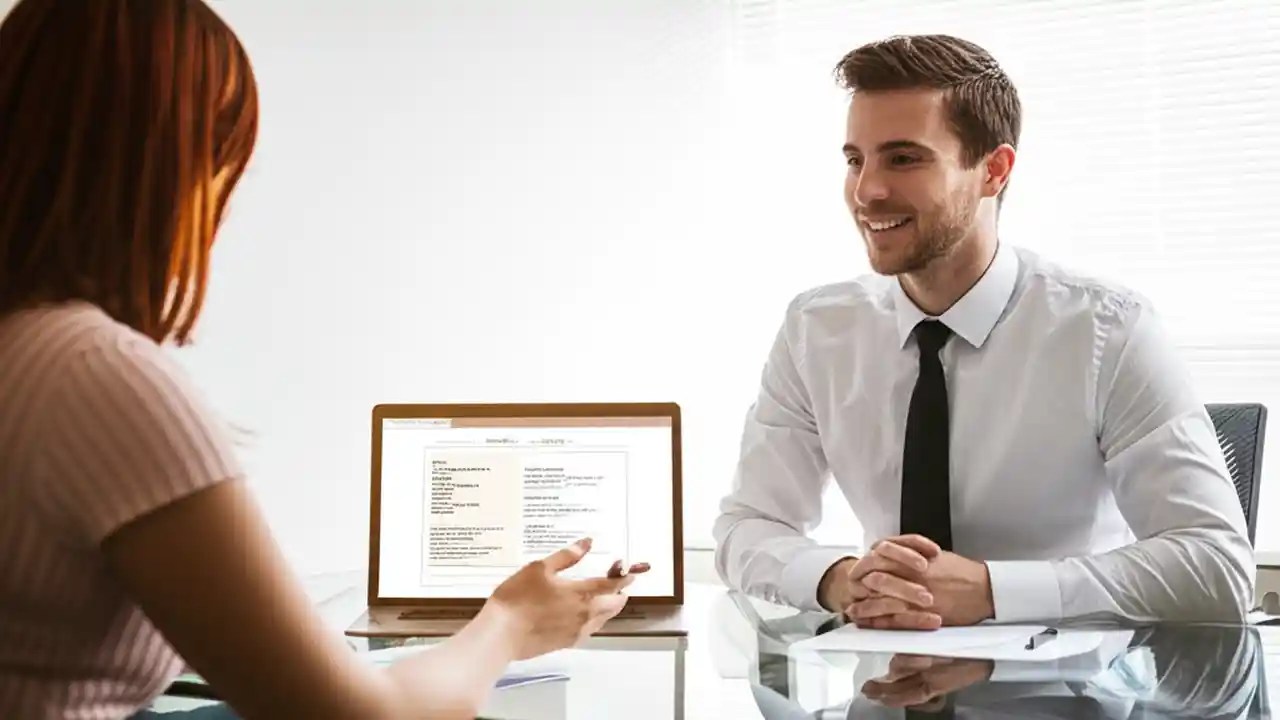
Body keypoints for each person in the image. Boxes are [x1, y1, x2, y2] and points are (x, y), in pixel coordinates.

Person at [0, 2, 644, 718]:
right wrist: (508, 625)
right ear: (160, 163)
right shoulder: (99, 378)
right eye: (221, 162)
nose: (226, 204)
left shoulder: (26, 352)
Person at [713, 33, 1255, 630]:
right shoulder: (817, 329)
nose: (867, 190)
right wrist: (840, 578)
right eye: (855, 159)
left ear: (993, 170)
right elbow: (746, 528)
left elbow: (1217, 564)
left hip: (1074, 696)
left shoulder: (1108, 330)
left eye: (904, 158)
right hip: (880, 688)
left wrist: (996, 590)